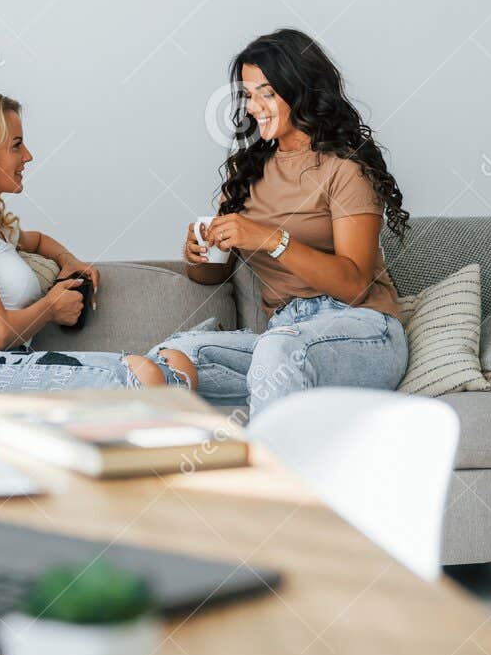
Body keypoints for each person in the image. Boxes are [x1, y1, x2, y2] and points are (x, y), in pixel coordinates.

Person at [151, 29, 409, 416]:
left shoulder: (345, 168)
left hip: (362, 334)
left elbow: (355, 286)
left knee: (279, 349)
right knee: (168, 358)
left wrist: (272, 239)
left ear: (300, 89)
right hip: (284, 341)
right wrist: (199, 254)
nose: (254, 107)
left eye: (266, 93)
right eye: (248, 95)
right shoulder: (246, 171)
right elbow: (212, 276)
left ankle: (268, 474)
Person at [0, 88, 197, 393]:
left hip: (2, 362)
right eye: (16, 146)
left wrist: (68, 260)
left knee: (177, 367)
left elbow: (39, 241)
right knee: (143, 375)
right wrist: (51, 308)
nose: (28, 156)